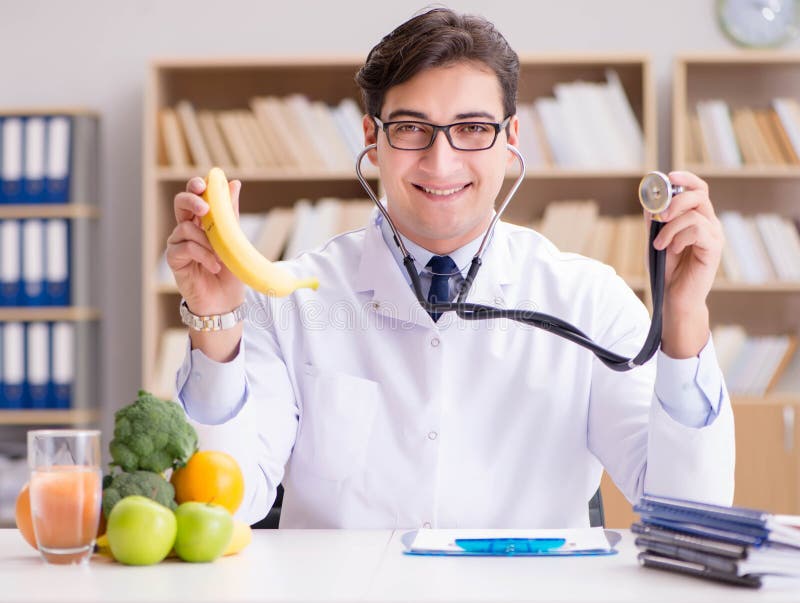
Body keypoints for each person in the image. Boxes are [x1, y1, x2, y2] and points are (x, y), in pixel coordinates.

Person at [167, 8, 734, 529]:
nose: (441, 162)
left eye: (472, 128)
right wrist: (214, 324)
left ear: (510, 139)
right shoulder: (286, 298)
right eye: (412, 128)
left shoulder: (589, 299)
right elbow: (223, 507)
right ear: (372, 138)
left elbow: (691, 512)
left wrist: (683, 321)